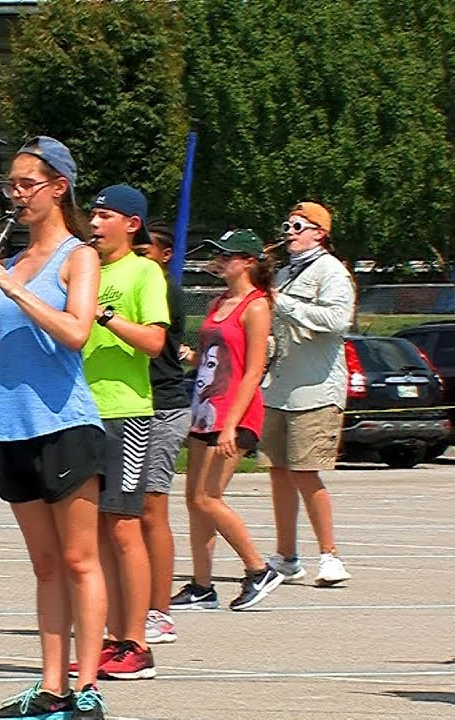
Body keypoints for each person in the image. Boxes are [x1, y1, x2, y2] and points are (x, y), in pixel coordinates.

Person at [0, 136, 108, 720]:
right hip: (12, 429)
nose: (15, 195)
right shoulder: (7, 264)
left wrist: (12, 289)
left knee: (79, 560)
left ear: (58, 187)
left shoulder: (77, 256)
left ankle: (86, 690)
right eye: (10, 185)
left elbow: (76, 332)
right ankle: (50, 688)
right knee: (44, 566)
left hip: (65, 424)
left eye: (25, 184)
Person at [77, 185, 168, 681]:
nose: (93, 222)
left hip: (126, 412)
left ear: (131, 223)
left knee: (123, 526)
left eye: (104, 215)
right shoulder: (85, 268)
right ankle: (113, 638)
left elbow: (155, 341)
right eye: (92, 213)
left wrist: (106, 316)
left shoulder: (144, 271)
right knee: (92, 531)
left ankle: (138, 641)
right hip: (81, 413)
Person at [170, 229, 285, 612]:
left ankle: (258, 568)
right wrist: (189, 356)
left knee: (208, 497)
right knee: (194, 500)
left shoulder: (256, 306)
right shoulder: (219, 301)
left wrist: (232, 425)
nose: (219, 261)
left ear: (248, 261)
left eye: (227, 255)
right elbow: (215, 360)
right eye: (217, 254)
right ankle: (202, 586)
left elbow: (252, 371)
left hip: (235, 413)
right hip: (206, 408)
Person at [262, 201, 355, 587]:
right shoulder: (284, 272)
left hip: (316, 389)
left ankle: (330, 556)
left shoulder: (331, 271)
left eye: (298, 226)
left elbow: (338, 320)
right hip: (279, 388)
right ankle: (286, 556)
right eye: (287, 225)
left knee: (305, 472)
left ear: (320, 232)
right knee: (278, 473)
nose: (290, 232)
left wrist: (283, 303)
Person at [132, 222, 190, 645]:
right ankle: (130, 605)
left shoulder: (161, 285)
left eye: (145, 249)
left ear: (165, 254)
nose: (138, 254)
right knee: (122, 514)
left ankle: (160, 611)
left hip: (163, 406)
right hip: (129, 405)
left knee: (152, 510)